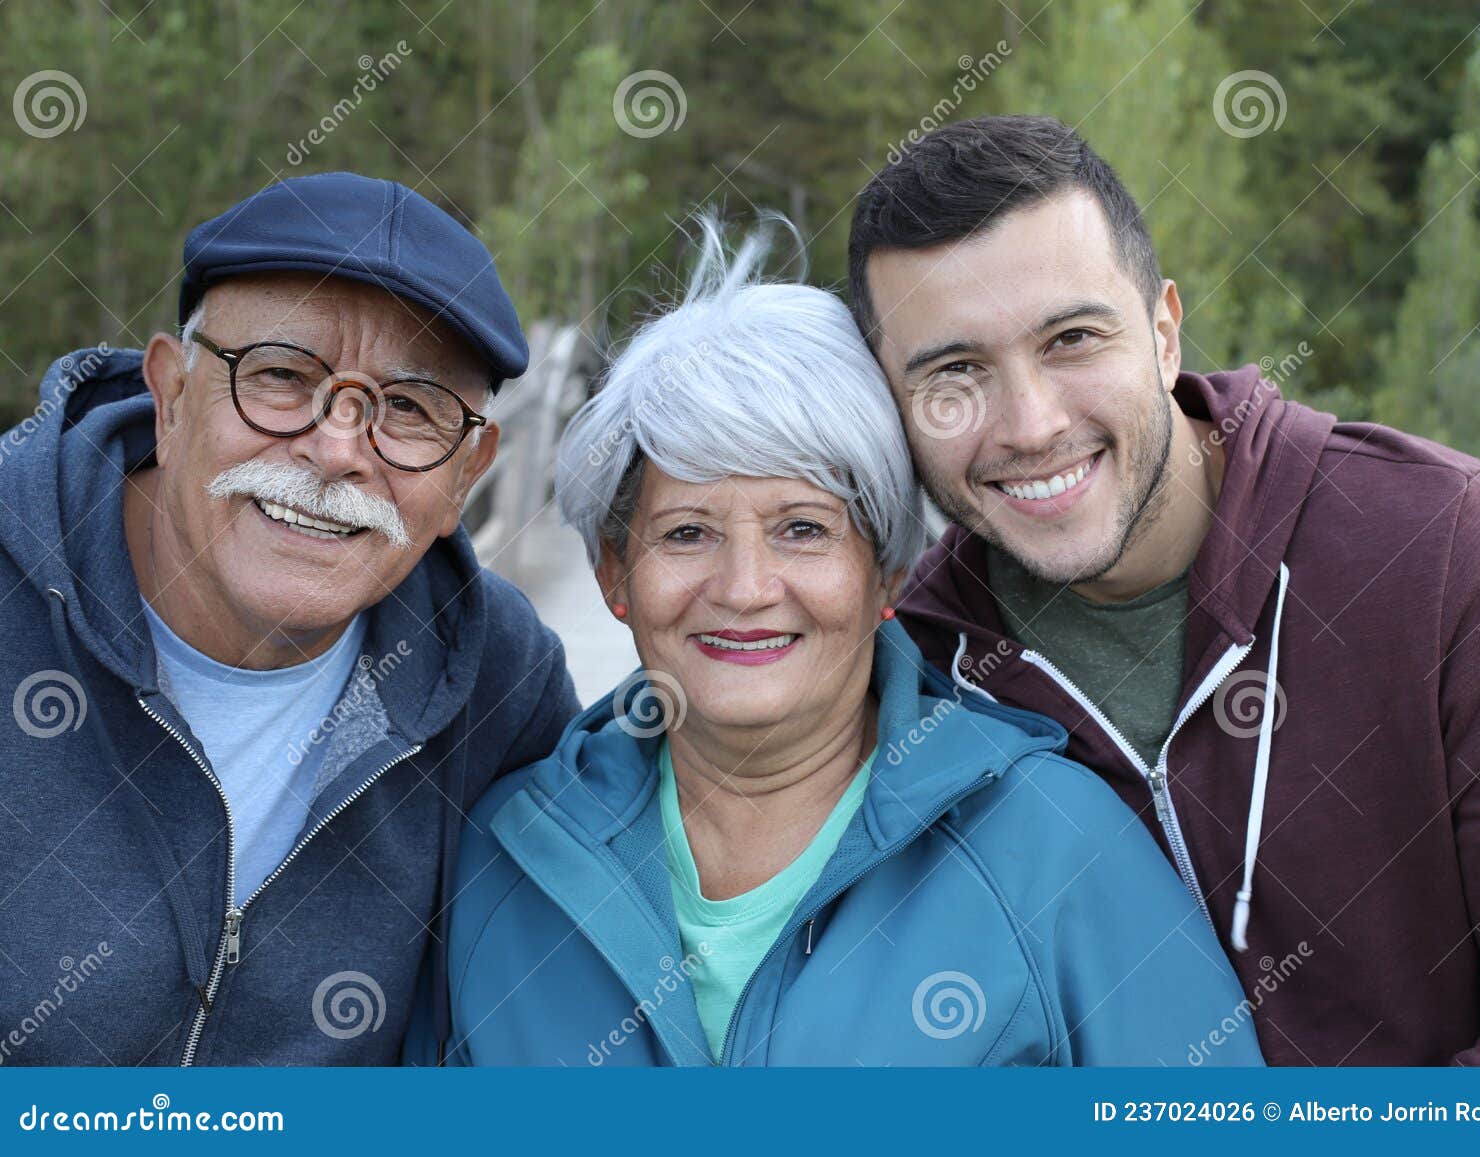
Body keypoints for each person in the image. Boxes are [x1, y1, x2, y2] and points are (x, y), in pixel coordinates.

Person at [848, 114, 1480, 1065]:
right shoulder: (914, 673)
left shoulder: (1445, 549)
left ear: (1164, 334)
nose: (1030, 426)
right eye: (954, 373)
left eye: (1073, 338)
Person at [441, 220, 1262, 1067]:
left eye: (803, 529)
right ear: (614, 573)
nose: (746, 587)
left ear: (889, 574)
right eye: (686, 533)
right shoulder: (507, 860)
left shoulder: (1057, 847)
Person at [0, 173, 578, 1065]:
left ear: (467, 475)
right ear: (172, 392)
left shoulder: (497, 678)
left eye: (410, 409)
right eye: (280, 376)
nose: (338, 449)